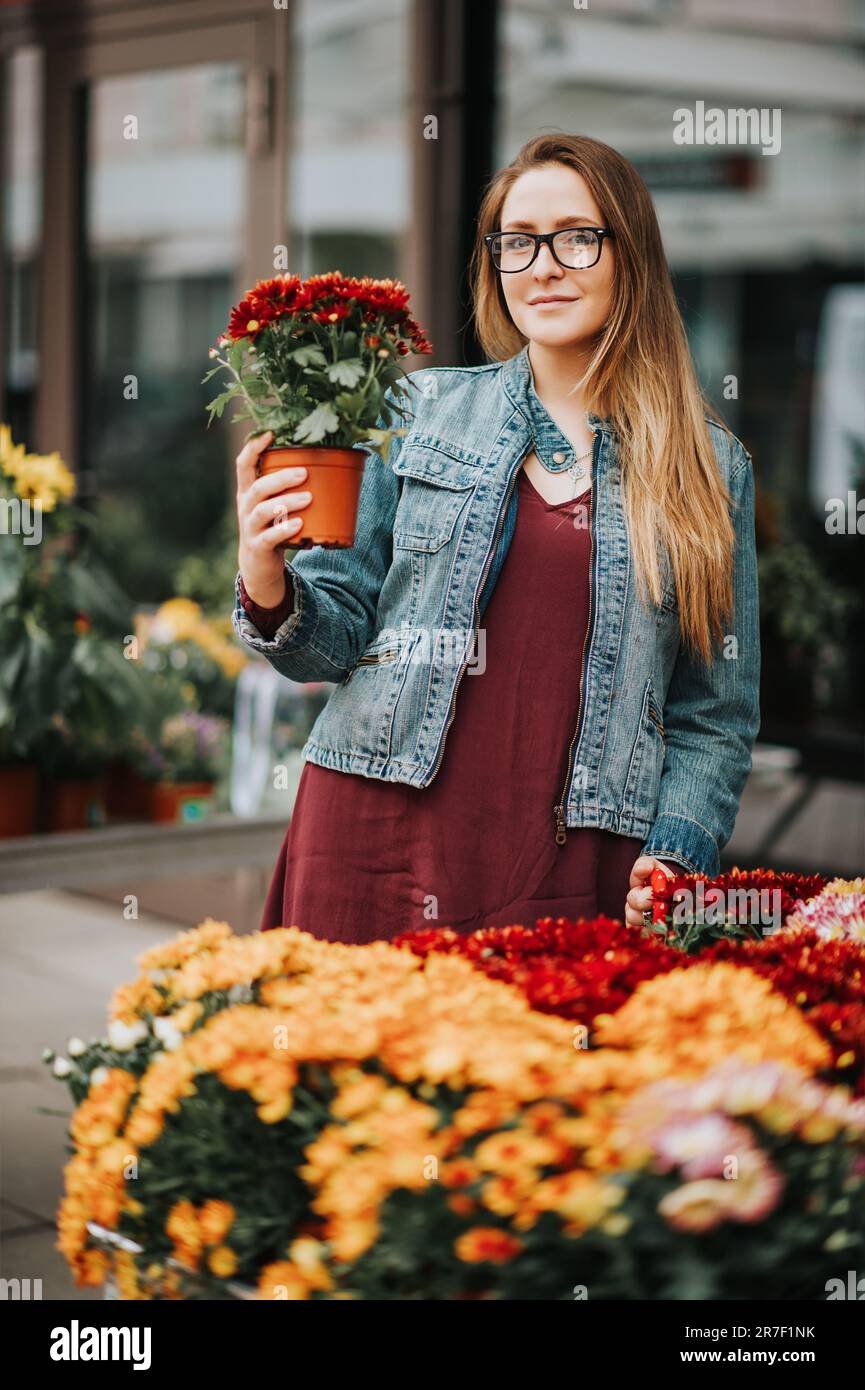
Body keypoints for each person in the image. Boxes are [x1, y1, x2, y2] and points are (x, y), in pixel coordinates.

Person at [231, 132, 761, 944]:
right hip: (372, 837)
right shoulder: (416, 414)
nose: (542, 265)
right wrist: (268, 581)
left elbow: (713, 718)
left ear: (631, 255)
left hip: (578, 858)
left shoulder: (708, 467)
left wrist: (677, 852)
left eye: (576, 238)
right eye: (517, 242)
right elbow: (329, 644)